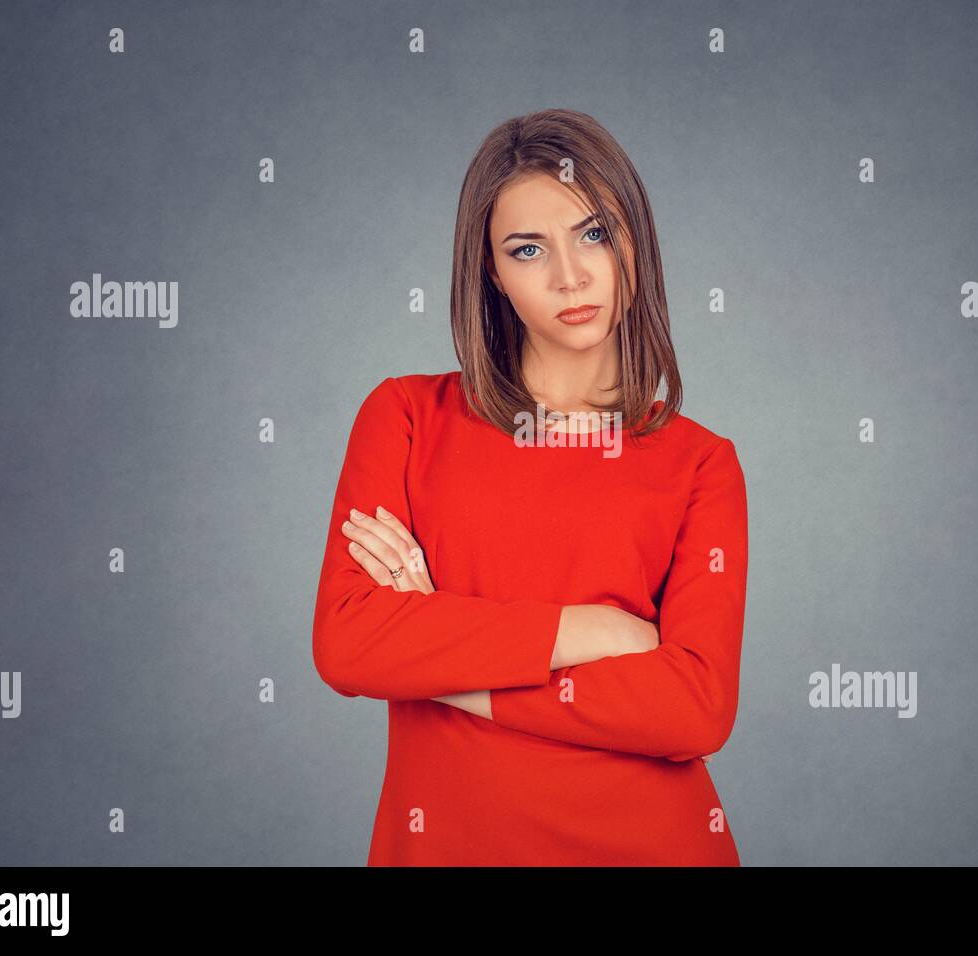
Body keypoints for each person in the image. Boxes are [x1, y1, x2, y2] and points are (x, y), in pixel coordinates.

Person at [311, 108, 749, 865]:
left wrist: (439, 659)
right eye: (526, 249)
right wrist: (592, 632)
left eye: (594, 234)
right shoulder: (407, 416)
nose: (570, 276)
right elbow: (348, 645)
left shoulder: (700, 462)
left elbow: (695, 712)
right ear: (490, 270)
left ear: (633, 241)